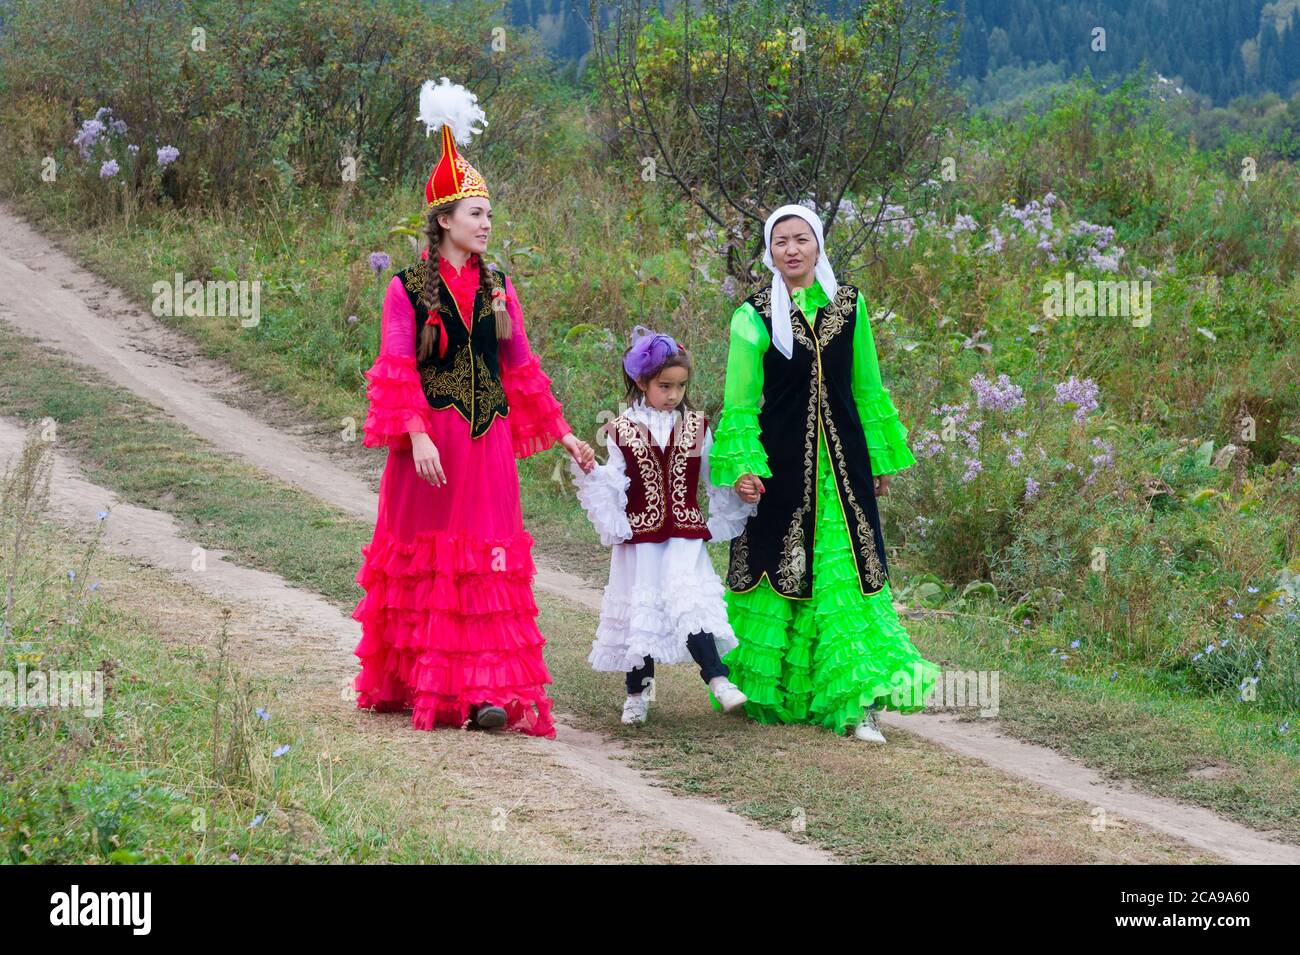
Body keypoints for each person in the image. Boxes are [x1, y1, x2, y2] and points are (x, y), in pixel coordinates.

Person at [351, 77, 594, 737]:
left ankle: (482, 691)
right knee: (426, 554)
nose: (486, 224)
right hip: (430, 448)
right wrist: (416, 433)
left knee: (484, 556)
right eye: (476, 213)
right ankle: (420, 682)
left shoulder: (499, 286)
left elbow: (520, 366)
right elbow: (396, 366)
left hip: (486, 445)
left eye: (489, 214)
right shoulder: (407, 288)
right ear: (443, 221)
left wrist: (565, 433)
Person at [711, 204, 940, 742]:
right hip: (780, 471)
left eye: (801, 239)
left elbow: (866, 387)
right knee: (781, 569)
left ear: (818, 246)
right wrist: (743, 469)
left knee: (846, 579)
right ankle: (787, 696)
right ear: (769, 253)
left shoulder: (849, 307)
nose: (792, 250)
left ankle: (856, 703)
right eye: (780, 242)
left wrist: (880, 459)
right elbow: (740, 403)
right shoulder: (753, 316)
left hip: (842, 475)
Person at [569, 326, 753, 725]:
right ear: (641, 382)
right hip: (642, 538)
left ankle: (719, 680)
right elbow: (615, 480)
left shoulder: (698, 427)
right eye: (664, 386)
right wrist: (590, 471)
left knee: (689, 604)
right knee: (644, 613)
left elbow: (713, 476)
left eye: (680, 387)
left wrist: (739, 486)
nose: (673, 395)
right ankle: (638, 694)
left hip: (685, 536)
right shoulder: (621, 429)